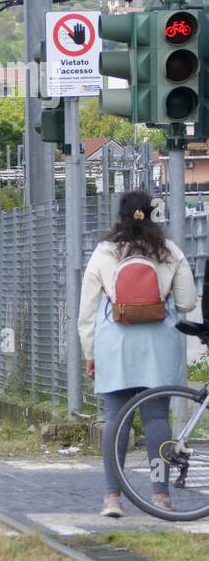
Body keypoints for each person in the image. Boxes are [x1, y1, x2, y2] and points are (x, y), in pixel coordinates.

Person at [79, 190, 195, 519]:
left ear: (121, 217)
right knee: (157, 419)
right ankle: (161, 496)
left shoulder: (104, 252)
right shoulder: (170, 251)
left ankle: (113, 498)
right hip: (159, 346)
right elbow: (187, 302)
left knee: (116, 420)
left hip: (115, 346)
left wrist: (90, 351)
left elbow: (87, 309)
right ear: (152, 215)